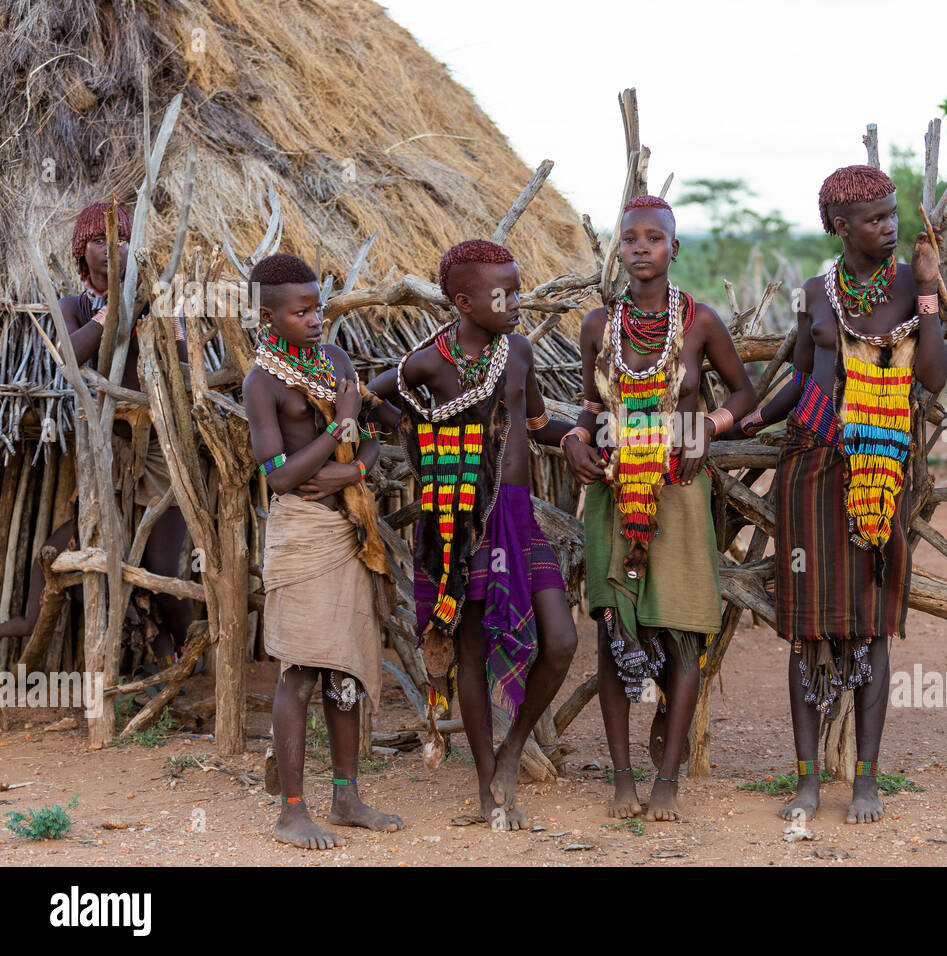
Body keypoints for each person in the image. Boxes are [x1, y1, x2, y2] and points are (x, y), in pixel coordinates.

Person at [738, 165, 947, 824]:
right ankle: (805, 780)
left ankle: (866, 780)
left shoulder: (915, 287)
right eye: (875, 219)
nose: (889, 227)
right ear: (840, 226)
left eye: (891, 215)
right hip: (810, 465)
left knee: (872, 625)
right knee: (807, 628)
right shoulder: (815, 292)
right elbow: (805, 377)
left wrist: (931, 296)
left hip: (879, 470)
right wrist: (752, 420)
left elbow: (935, 378)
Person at [368, 239, 578, 831]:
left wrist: (578, 438)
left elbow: (537, 425)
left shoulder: (517, 354)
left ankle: (512, 751)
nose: (515, 301)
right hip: (457, 522)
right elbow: (369, 398)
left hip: (515, 515)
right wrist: (423, 446)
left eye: (517, 288)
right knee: (471, 649)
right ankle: (489, 785)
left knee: (560, 640)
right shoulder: (427, 363)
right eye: (501, 293)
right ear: (462, 301)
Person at [564, 195, 756, 821]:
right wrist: (575, 440)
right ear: (617, 248)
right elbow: (590, 410)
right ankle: (622, 778)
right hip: (613, 491)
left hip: (676, 489)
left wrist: (710, 429)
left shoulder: (699, 323)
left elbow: (745, 393)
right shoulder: (599, 326)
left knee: (681, 630)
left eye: (653, 238)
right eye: (629, 239)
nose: (640, 248)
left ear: (675, 248)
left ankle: (667, 778)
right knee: (614, 626)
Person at [242, 252, 403, 850]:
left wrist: (345, 471)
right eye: (301, 311)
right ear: (268, 316)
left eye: (318, 308)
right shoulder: (261, 383)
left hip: (346, 529)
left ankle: (346, 797)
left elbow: (373, 446)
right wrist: (341, 427)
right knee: (302, 671)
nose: (315, 320)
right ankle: (291, 810)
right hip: (302, 534)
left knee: (345, 672)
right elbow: (279, 477)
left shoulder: (335, 362)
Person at [1, 203, 192, 673]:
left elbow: (186, 365)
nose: (111, 251)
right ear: (80, 250)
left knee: (164, 565)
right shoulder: (73, 307)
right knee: (66, 546)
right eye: (100, 241)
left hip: (157, 445)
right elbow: (71, 359)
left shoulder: (156, 298)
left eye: (121, 240)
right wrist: (110, 315)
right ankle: (26, 622)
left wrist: (155, 311)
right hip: (105, 448)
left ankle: (185, 658)